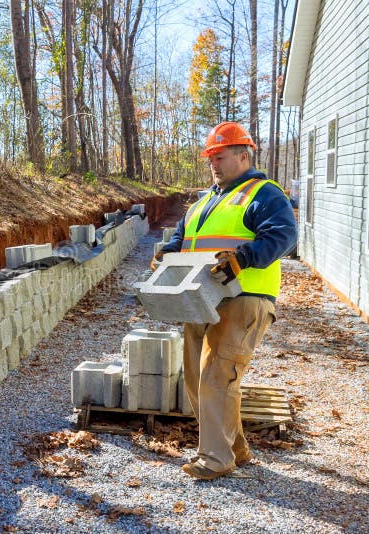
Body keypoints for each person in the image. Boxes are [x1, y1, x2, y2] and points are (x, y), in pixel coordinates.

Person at [153, 121, 298, 480]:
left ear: (243, 155)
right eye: (211, 158)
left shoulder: (264, 194)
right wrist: (165, 256)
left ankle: (215, 459)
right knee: (197, 378)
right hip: (200, 298)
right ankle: (234, 449)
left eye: (221, 156)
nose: (214, 164)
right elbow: (181, 240)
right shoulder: (204, 202)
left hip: (244, 297)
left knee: (218, 375)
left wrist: (243, 258)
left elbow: (283, 235)